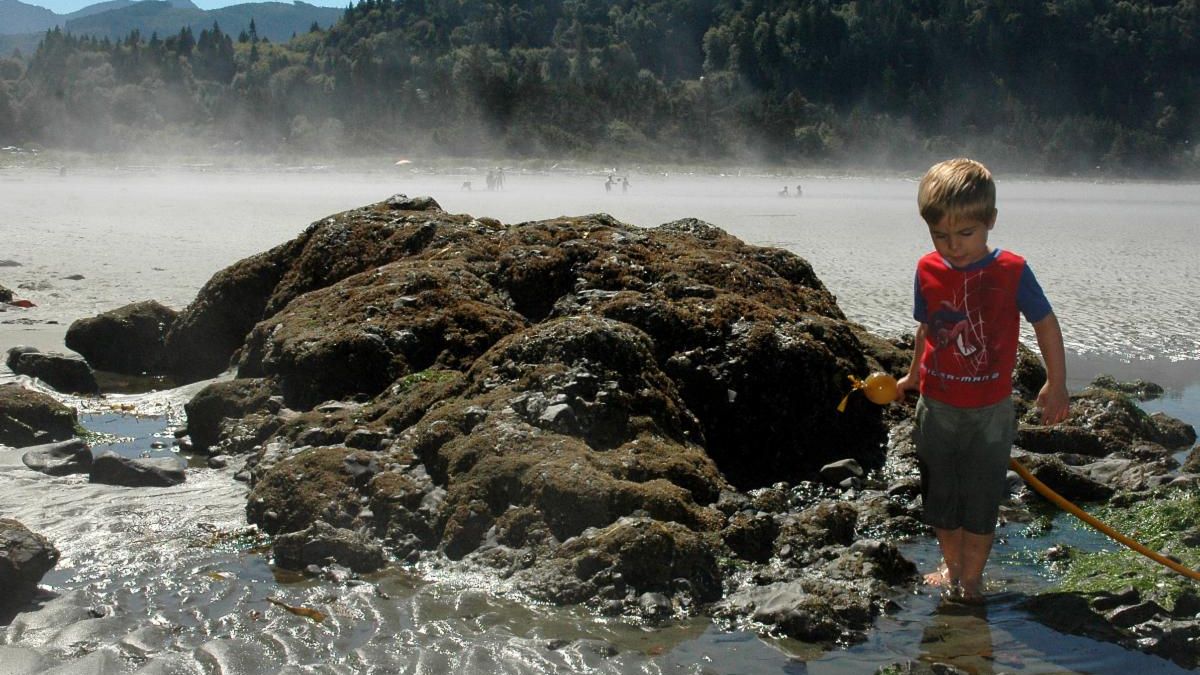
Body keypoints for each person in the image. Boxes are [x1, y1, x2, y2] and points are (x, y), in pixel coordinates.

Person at [895, 158, 1069, 604]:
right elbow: (927, 328)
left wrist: (1056, 383)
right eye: (941, 236)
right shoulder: (927, 270)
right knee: (941, 498)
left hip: (990, 411)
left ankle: (970, 581)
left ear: (990, 220)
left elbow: (1045, 323)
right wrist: (915, 374)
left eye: (965, 234)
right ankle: (951, 566)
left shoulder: (1011, 270)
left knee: (980, 502)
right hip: (936, 406)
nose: (953, 247)